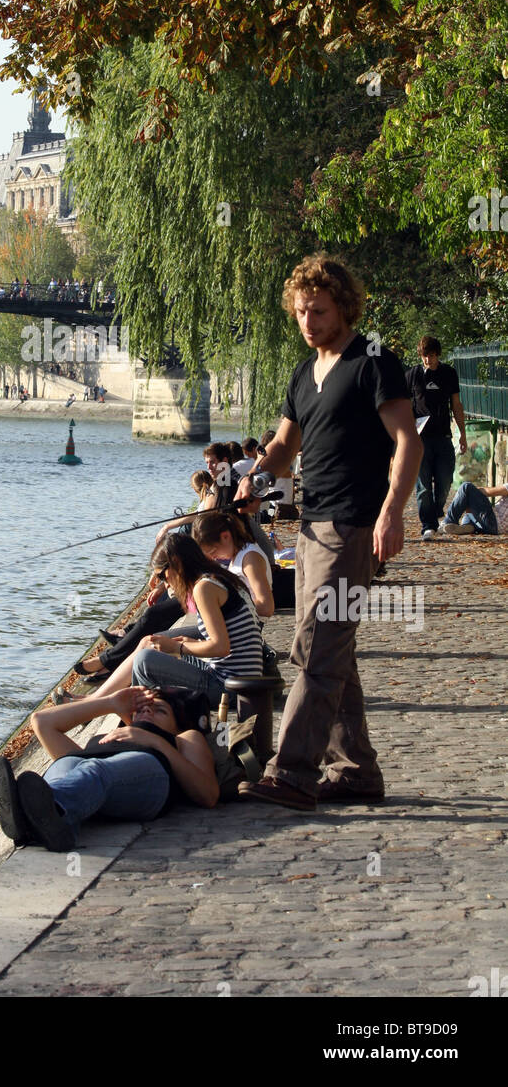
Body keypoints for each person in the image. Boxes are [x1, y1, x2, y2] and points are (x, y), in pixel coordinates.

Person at [233, 252, 421, 811]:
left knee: (317, 646)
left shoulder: (374, 361)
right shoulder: (304, 373)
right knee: (328, 646)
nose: (308, 322)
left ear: (343, 305)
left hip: (354, 525)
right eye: (300, 312)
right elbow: (285, 451)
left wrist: (393, 512)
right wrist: (256, 476)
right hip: (311, 528)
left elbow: (407, 441)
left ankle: (291, 771)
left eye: (317, 311)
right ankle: (357, 771)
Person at [0, 685, 218, 850]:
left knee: (95, 770)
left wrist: (156, 742)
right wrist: (110, 703)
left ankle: (30, 811)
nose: (147, 711)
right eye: (141, 708)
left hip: (153, 777)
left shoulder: (182, 738)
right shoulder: (105, 738)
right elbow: (41, 721)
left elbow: (208, 794)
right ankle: (51, 825)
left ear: (176, 726)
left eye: (160, 710)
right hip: (93, 773)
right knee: (66, 764)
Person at [90, 532, 263, 709]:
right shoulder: (218, 577)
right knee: (150, 644)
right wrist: (191, 644)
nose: (165, 584)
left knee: (144, 662)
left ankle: (140, 720)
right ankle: (102, 703)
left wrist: (177, 648)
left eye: (163, 576)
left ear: (177, 563)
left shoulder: (204, 588)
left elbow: (221, 647)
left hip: (231, 688)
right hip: (238, 679)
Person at [406, 336, 467, 539]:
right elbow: (404, 407)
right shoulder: (412, 375)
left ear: (437, 355)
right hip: (420, 439)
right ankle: (428, 526)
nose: (428, 360)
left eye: (431, 356)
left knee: (445, 482)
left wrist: (463, 434)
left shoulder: (448, 374)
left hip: (443, 436)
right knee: (423, 486)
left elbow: (456, 405)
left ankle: (435, 512)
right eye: (424, 356)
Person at [439, 480, 508, 535]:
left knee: (466, 486)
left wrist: (472, 491)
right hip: (496, 529)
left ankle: (447, 522)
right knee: (470, 513)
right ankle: (468, 526)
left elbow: (489, 492)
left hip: (494, 522)